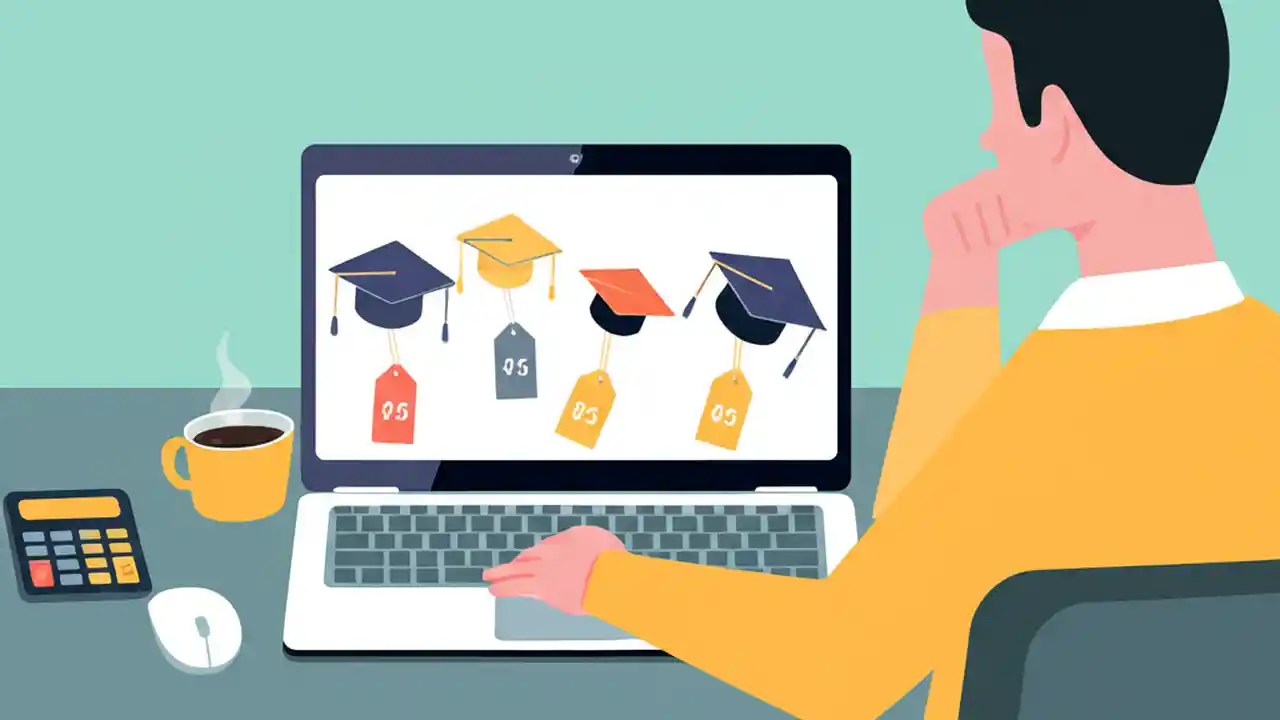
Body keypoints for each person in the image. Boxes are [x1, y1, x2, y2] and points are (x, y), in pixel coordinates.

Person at [486, 2, 1280, 718]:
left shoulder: (1040, 418)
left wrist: (603, 577)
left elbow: (844, 666)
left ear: (1059, 124)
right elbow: (921, 544)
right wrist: (960, 274)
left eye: (1000, 101)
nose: (990, 136)